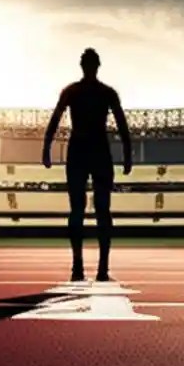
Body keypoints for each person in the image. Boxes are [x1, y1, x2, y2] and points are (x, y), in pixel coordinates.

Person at [42, 48, 132, 282]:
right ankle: (97, 268)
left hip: (82, 149)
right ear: (96, 66)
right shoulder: (104, 92)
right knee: (100, 210)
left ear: (83, 66)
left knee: (80, 210)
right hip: (97, 149)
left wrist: (47, 148)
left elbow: (54, 120)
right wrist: (128, 153)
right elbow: (122, 126)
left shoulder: (74, 91)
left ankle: (80, 267)